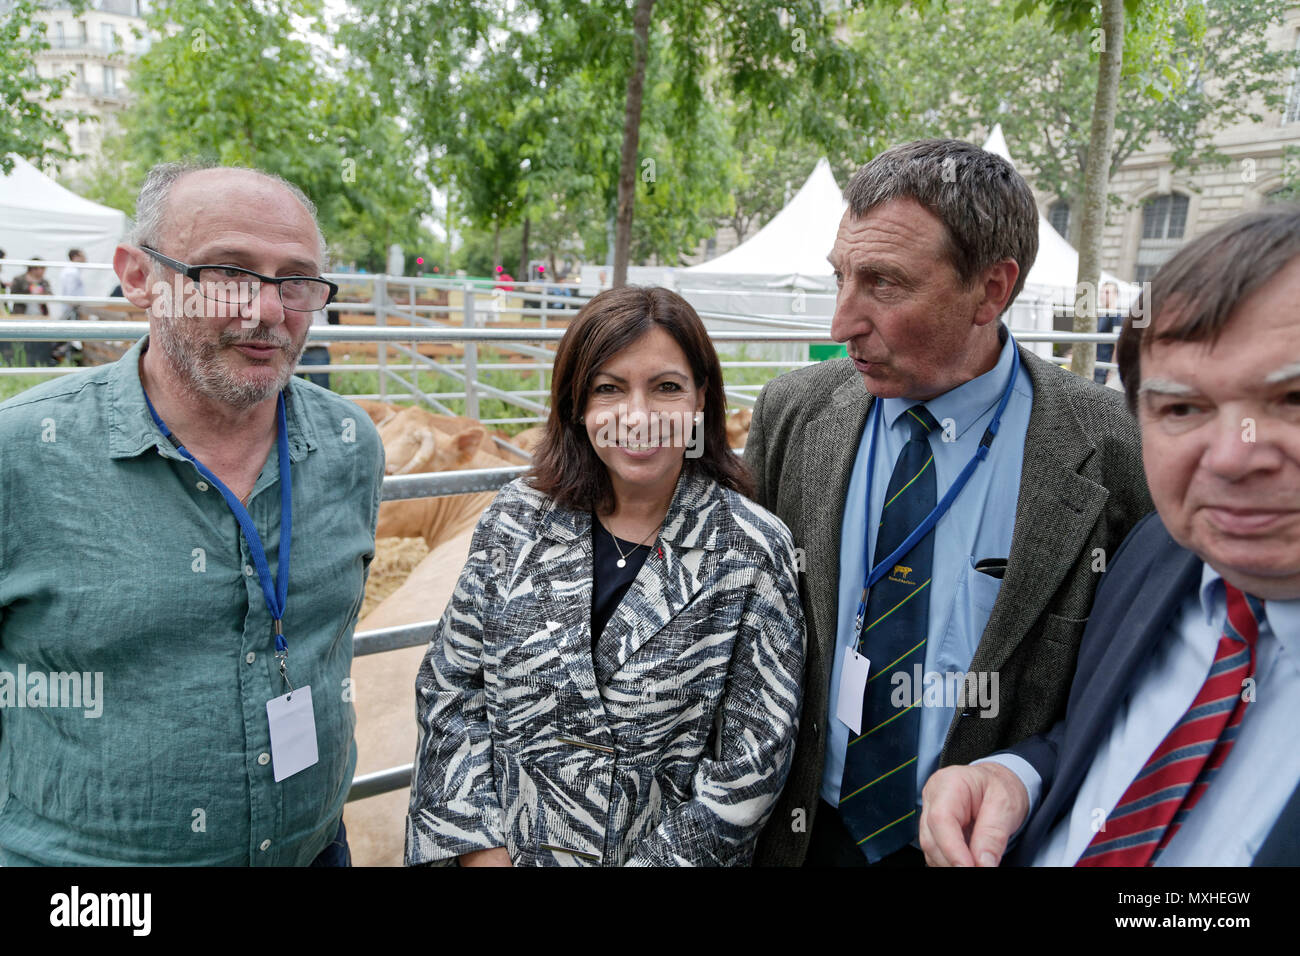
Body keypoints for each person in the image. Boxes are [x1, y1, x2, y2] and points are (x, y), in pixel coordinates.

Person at [746, 139, 1153, 867]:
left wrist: (1024, 772)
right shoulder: (791, 414)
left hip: (986, 849)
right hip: (804, 834)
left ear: (991, 290)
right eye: (841, 277)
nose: (840, 324)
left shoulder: (1117, 450)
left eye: (885, 284)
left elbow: (1134, 685)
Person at [0, 162, 385, 865]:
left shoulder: (351, 448)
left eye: (295, 280)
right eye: (228, 273)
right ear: (139, 276)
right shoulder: (20, 458)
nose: (267, 311)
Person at [920, 205, 1300, 867]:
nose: (1235, 456)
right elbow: (1103, 737)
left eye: (1294, 399)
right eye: (1182, 407)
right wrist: (1017, 779)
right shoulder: (1159, 551)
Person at [405, 285, 805, 867]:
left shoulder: (751, 550)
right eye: (608, 388)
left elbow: (749, 770)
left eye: (666, 387)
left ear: (702, 400)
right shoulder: (516, 519)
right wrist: (480, 853)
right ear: (578, 405)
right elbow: (450, 690)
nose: (637, 417)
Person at [3, 258, 55, 366]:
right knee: (22, 343)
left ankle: (39, 363)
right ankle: (20, 364)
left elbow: (50, 295)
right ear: (34, 269)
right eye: (42, 269)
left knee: (40, 343)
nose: (43, 272)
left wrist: (41, 293)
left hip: (40, 316)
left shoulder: (44, 281)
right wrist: (29, 290)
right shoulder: (19, 279)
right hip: (21, 316)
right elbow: (13, 295)